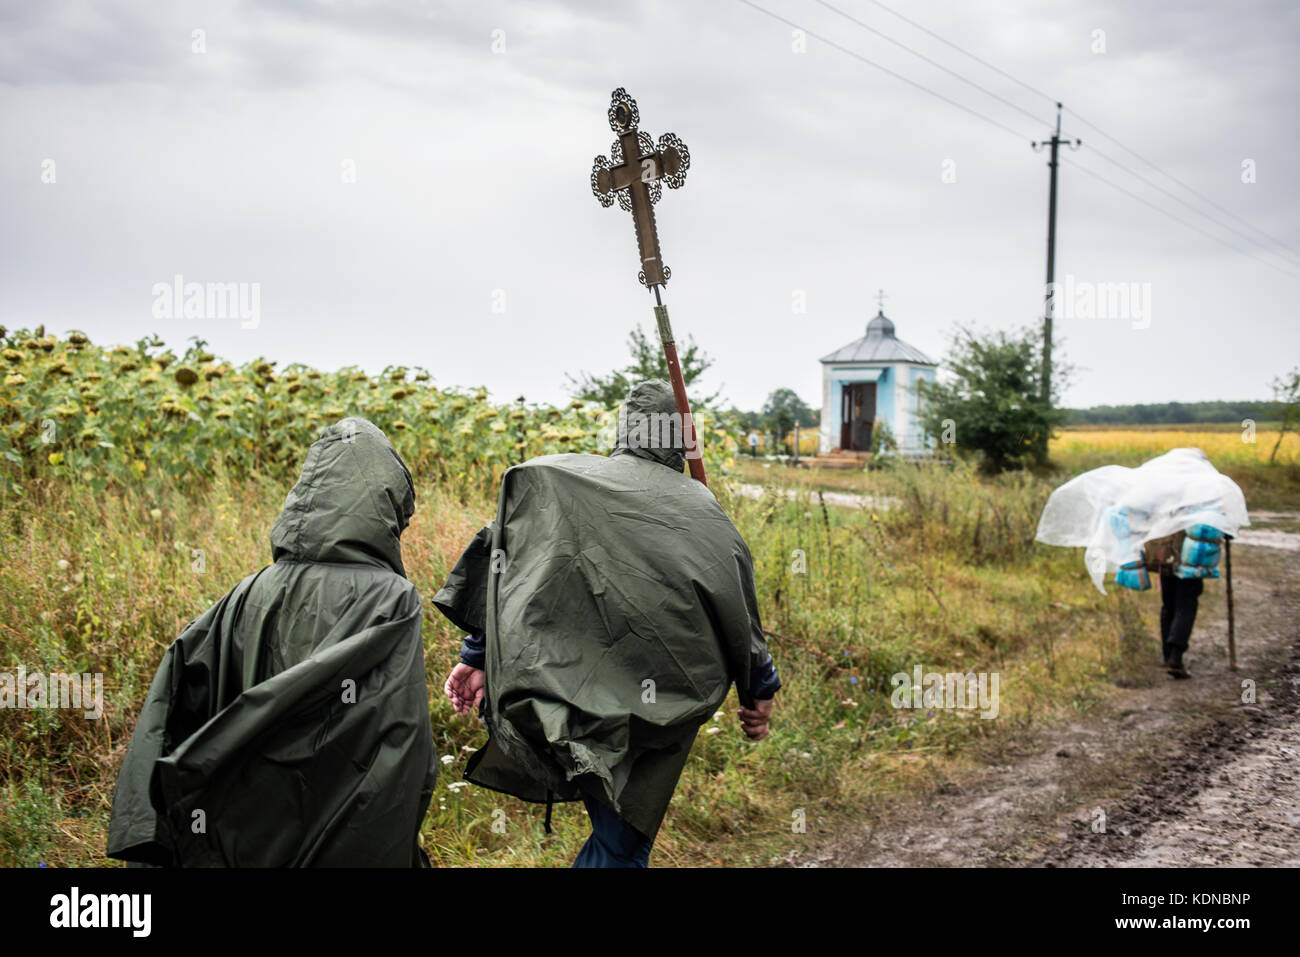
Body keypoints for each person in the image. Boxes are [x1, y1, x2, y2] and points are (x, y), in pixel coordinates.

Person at [436, 380, 781, 867]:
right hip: (655, 713)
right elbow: (741, 619)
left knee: (620, 839)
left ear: (624, 427)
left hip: (567, 692)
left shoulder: (554, 479)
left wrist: (477, 652)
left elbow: (505, 562)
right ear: (684, 436)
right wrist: (758, 693)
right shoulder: (707, 515)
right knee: (623, 840)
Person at [106, 418, 436, 866]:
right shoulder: (393, 600)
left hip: (246, 834)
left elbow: (172, 704)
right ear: (388, 504)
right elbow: (404, 738)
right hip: (344, 833)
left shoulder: (245, 595)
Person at [1142, 528, 1211, 679]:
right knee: (1186, 605)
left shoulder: (1165, 504)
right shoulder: (1199, 505)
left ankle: (1168, 655)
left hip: (1167, 555)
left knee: (1169, 604)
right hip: (1191, 559)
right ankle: (1176, 656)